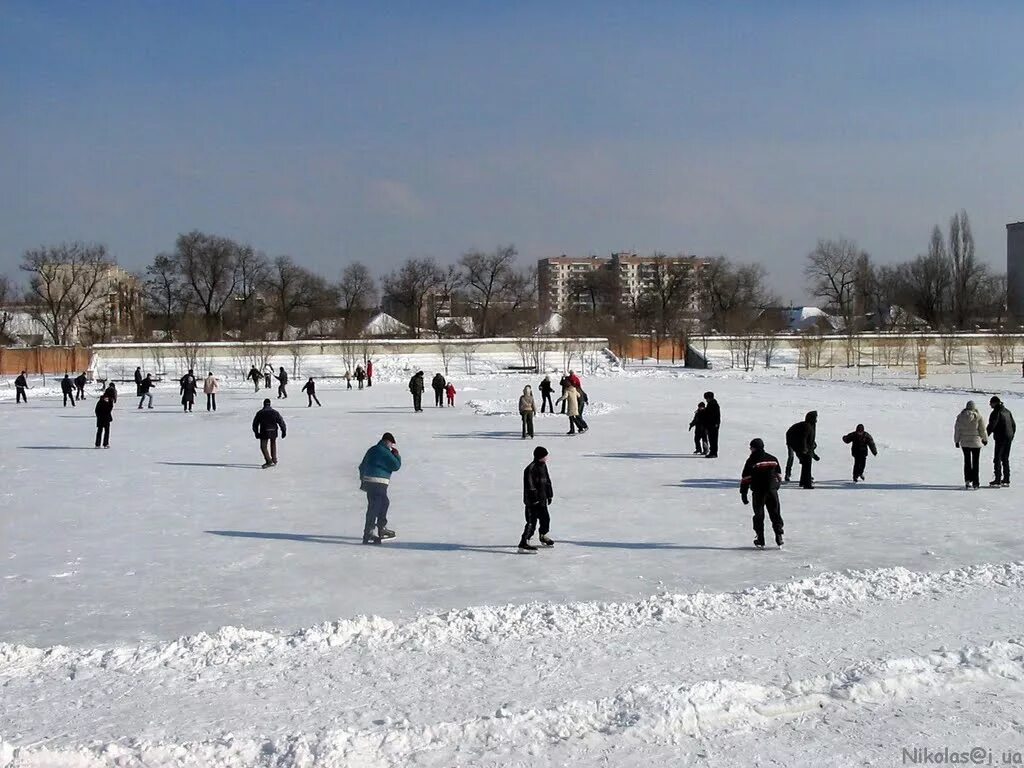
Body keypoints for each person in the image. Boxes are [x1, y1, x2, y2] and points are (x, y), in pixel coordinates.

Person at [739, 438, 784, 548]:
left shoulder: (752, 461)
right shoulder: (773, 459)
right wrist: (775, 487)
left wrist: (743, 494)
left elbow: (746, 478)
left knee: (759, 515)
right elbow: (779, 476)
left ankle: (760, 538)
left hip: (759, 492)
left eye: (751, 447)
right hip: (772, 491)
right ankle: (779, 536)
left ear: (754, 448)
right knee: (775, 513)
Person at [358, 432, 401, 544]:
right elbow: (396, 466)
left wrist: (363, 480)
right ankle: (371, 532)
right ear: (387, 442)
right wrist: (396, 455)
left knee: (382, 503)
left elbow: (361, 465)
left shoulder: (372, 449)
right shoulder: (385, 451)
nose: (392, 446)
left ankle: (379, 529)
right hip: (379, 482)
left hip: (369, 481)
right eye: (392, 444)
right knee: (376, 506)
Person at [519, 445, 554, 552]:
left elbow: (547, 481)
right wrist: (535, 499)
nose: (546, 458)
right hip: (532, 502)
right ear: (539, 456)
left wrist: (549, 494)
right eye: (545, 456)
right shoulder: (530, 469)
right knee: (531, 522)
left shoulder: (543, 466)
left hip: (542, 499)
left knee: (545, 519)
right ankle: (524, 542)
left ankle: (543, 535)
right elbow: (530, 487)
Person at [954, 400, 988, 490]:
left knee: (967, 462)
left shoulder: (960, 417)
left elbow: (957, 429)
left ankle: (967, 481)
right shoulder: (978, 417)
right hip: (976, 442)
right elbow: (982, 430)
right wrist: (985, 439)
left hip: (964, 442)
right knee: (975, 462)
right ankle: (976, 483)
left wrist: (956, 441)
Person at [987, 396, 1016, 487]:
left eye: (991, 403)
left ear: (995, 403)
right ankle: (1006, 479)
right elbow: (1013, 425)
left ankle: (998, 479)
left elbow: (992, 425)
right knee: (1005, 458)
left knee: (997, 458)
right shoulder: (1007, 411)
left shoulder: (996, 412)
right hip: (1008, 437)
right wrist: (1011, 435)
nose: (990, 404)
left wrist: (985, 436)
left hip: (1001, 437)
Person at [785, 411, 818, 489]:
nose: (816, 420)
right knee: (807, 465)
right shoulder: (807, 426)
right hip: (799, 447)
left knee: (805, 465)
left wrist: (813, 454)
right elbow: (803, 438)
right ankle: (807, 484)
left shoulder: (810, 425)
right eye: (815, 418)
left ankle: (803, 482)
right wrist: (804, 449)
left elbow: (810, 440)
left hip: (803, 447)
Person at [252, 398, 287, 468]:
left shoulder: (260, 413)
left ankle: (269, 461)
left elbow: (255, 424)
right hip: (274, 430)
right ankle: (274, 459)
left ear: (264, 404)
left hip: (264, 431)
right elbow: (281, 421)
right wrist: (283, 430)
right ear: (270, 404)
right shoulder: (275, 412)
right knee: (273, 444)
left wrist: (256, 433)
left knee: (263, 446)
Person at [703, 392, 721, 458]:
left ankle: (714, 453)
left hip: (713, 425)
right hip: (711, 425)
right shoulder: (710, 404)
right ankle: (712, 452)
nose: (706, 400)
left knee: (713, 439)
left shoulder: (713, 404)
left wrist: (716, 424)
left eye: (706, 398)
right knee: (711, 439)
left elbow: (715, 416)